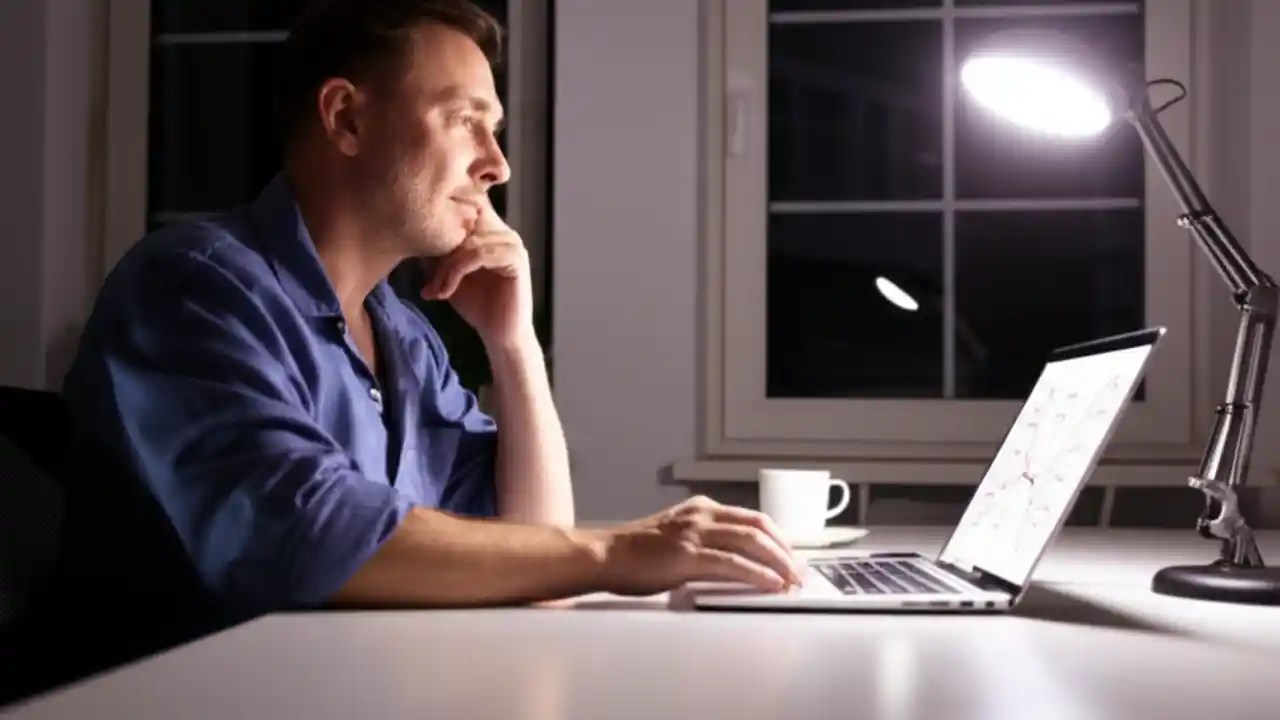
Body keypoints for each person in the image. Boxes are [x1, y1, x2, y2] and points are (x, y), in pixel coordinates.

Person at [44, 0, 804, 680]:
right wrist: (619, 552)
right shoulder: (195, 289)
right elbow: (307, 532)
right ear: (344, 119)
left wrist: (515, 350)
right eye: (461, 119)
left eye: (496, 131)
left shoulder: (405, 337)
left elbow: (528, 554)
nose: (496, 164)